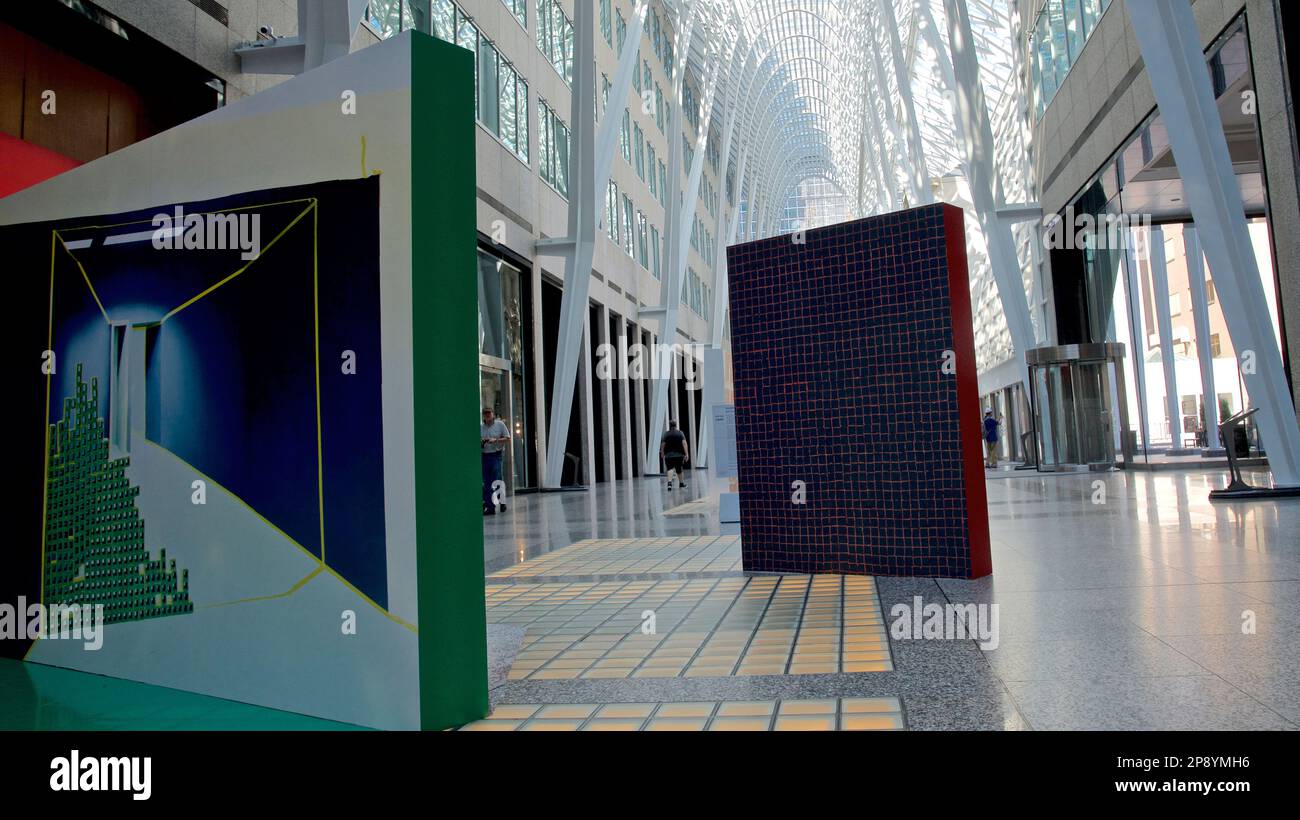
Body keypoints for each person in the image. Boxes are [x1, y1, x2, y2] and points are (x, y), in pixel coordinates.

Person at [481, 408, 510, 515]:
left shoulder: (500, 425)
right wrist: (482, 442)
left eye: (489, 413)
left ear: (493, 414)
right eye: (485, 414)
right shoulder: (481, 427)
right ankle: (490, 507)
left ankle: (502, 501)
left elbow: (508, 438)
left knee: (497, 479)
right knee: (487, 482)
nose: (487, 416)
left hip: (496, 454)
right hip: (485, 455)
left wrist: (496, 440)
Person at [660, 421, 689, 490]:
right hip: (679, 455)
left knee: (670, 469)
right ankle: (681, 484)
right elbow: (684, 443)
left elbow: (663, 444)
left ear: (670, 426)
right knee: (679, 469)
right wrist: (686, 454)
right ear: (676, 426)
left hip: (668, 455)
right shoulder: (680, 433)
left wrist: (662, 453)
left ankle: (669, 483)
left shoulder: (666, 434)